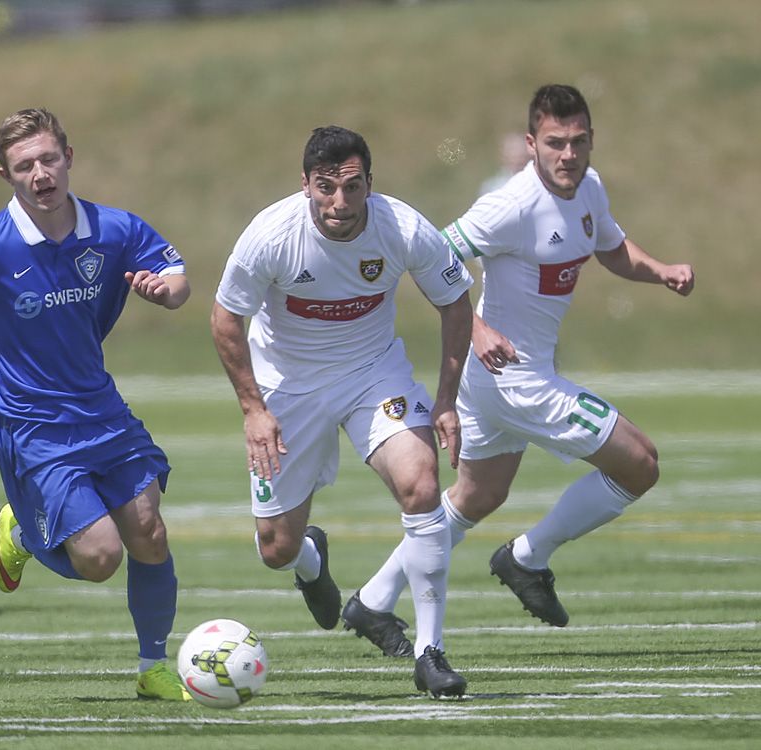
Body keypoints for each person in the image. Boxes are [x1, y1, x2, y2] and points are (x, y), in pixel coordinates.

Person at [348, 83, 695, 646]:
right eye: (555, 143)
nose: (568, 155)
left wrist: (660, 270)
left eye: (579, 142)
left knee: (477, 497)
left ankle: (373, 600)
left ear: (590, 142)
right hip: (517, 379)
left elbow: (608, 246)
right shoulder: (510, 204)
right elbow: (433, 255)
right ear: (532, 143)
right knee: (641, 463)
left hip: (496, 382)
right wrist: (477, 328)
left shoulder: (589, 188)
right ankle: (527, 558)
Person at [0, 108, 192, 702]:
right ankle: (22, 528)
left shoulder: (112, 229)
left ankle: (152, 666)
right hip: (34, 425)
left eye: (48, 159)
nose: (40, 174)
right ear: (7, 176)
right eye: (24, 166)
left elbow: (176, 274)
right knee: (100, 558)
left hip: (102, 412)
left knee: (149, 533)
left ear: (69, 157)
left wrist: (166, 291)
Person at [209, 125, 474, 698]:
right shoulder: (270, 236)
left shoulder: (402, 227)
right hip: (287, 386)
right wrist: (254, 410)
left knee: (422, 484)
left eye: (352, 187)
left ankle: (431, 653)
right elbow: (225, 320)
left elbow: (455, 302)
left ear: (369, 186)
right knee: (276, 550)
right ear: (305, 184)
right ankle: (310, 559)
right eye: (326, 187)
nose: (339, 202)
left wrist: (447, 400)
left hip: (371, 373)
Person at [479, 131, 532, 196]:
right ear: (503, 156)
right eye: (512, 150)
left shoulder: (538, 184)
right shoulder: (492, 187)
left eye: (521, 155)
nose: (516, 157)